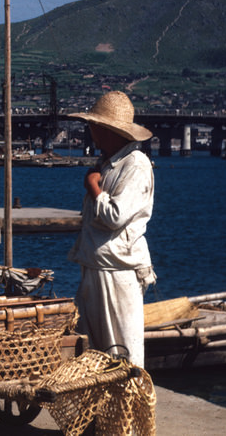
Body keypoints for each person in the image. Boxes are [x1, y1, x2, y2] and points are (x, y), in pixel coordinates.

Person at [67, 91, 156, 367]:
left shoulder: (136, 165)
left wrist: (93, 187)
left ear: (109, 130)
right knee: (96, 351)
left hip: (118, 269)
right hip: (98, 263)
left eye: (95, 126)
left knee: (123, 353)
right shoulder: (109, 163)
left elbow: (115, 216)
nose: (91, 132)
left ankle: (131, 407)